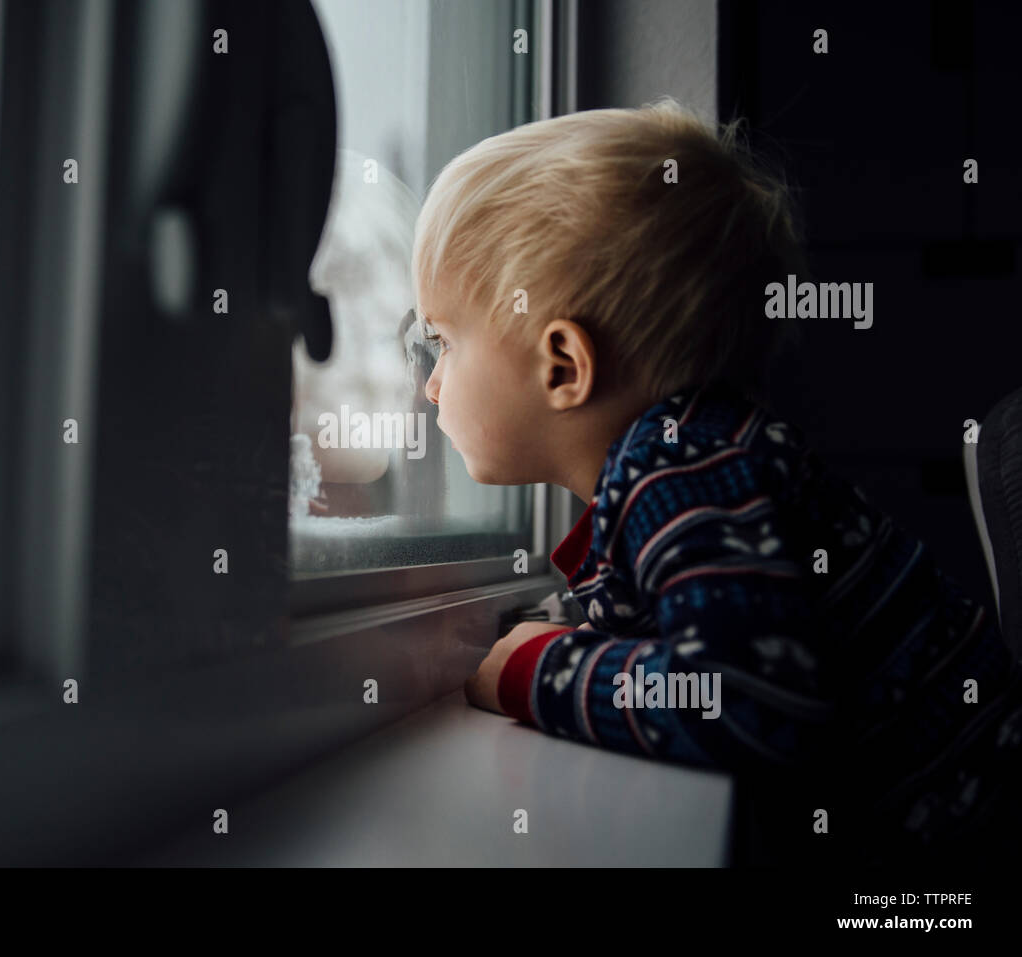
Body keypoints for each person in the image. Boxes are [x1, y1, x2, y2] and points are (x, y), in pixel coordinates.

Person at [413, 96, 1022, 865]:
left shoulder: (676, 464)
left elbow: (743, 701)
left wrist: (537, 668)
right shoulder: (697, 450)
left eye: (442, 341)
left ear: (562, 364)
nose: (432, 386)